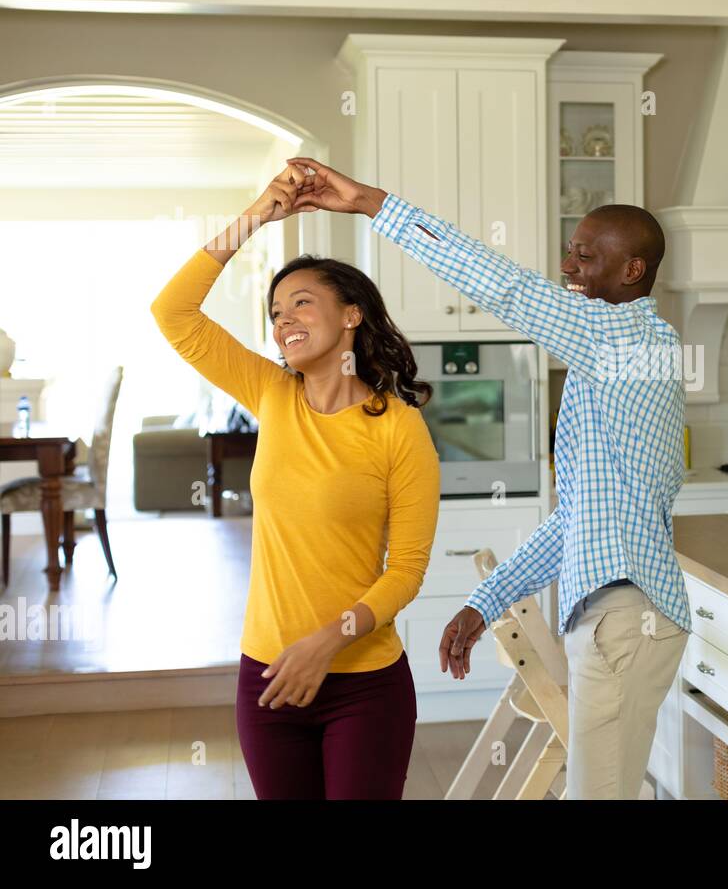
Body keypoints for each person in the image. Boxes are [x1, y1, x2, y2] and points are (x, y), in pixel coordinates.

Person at [286, 157, 690, 799]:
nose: (568, 269)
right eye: (570, 253)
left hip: (624, 619)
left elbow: (505, 287)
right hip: (614, 615)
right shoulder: (608, 359)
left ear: (632, 271)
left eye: (585, 257)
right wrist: (485, 601)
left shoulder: (625, 340)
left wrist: (371, 203)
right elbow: (575, 522)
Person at [150, 164, 439, 799]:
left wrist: (327, 641)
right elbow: (172, 312)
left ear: (352, 315)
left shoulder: (398, 427)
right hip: (270, 674)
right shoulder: (272, 393)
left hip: (364, 681)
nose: (284, 321)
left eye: (301, 302)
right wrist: (257, 215)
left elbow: (408, 570)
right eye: (276, 312)